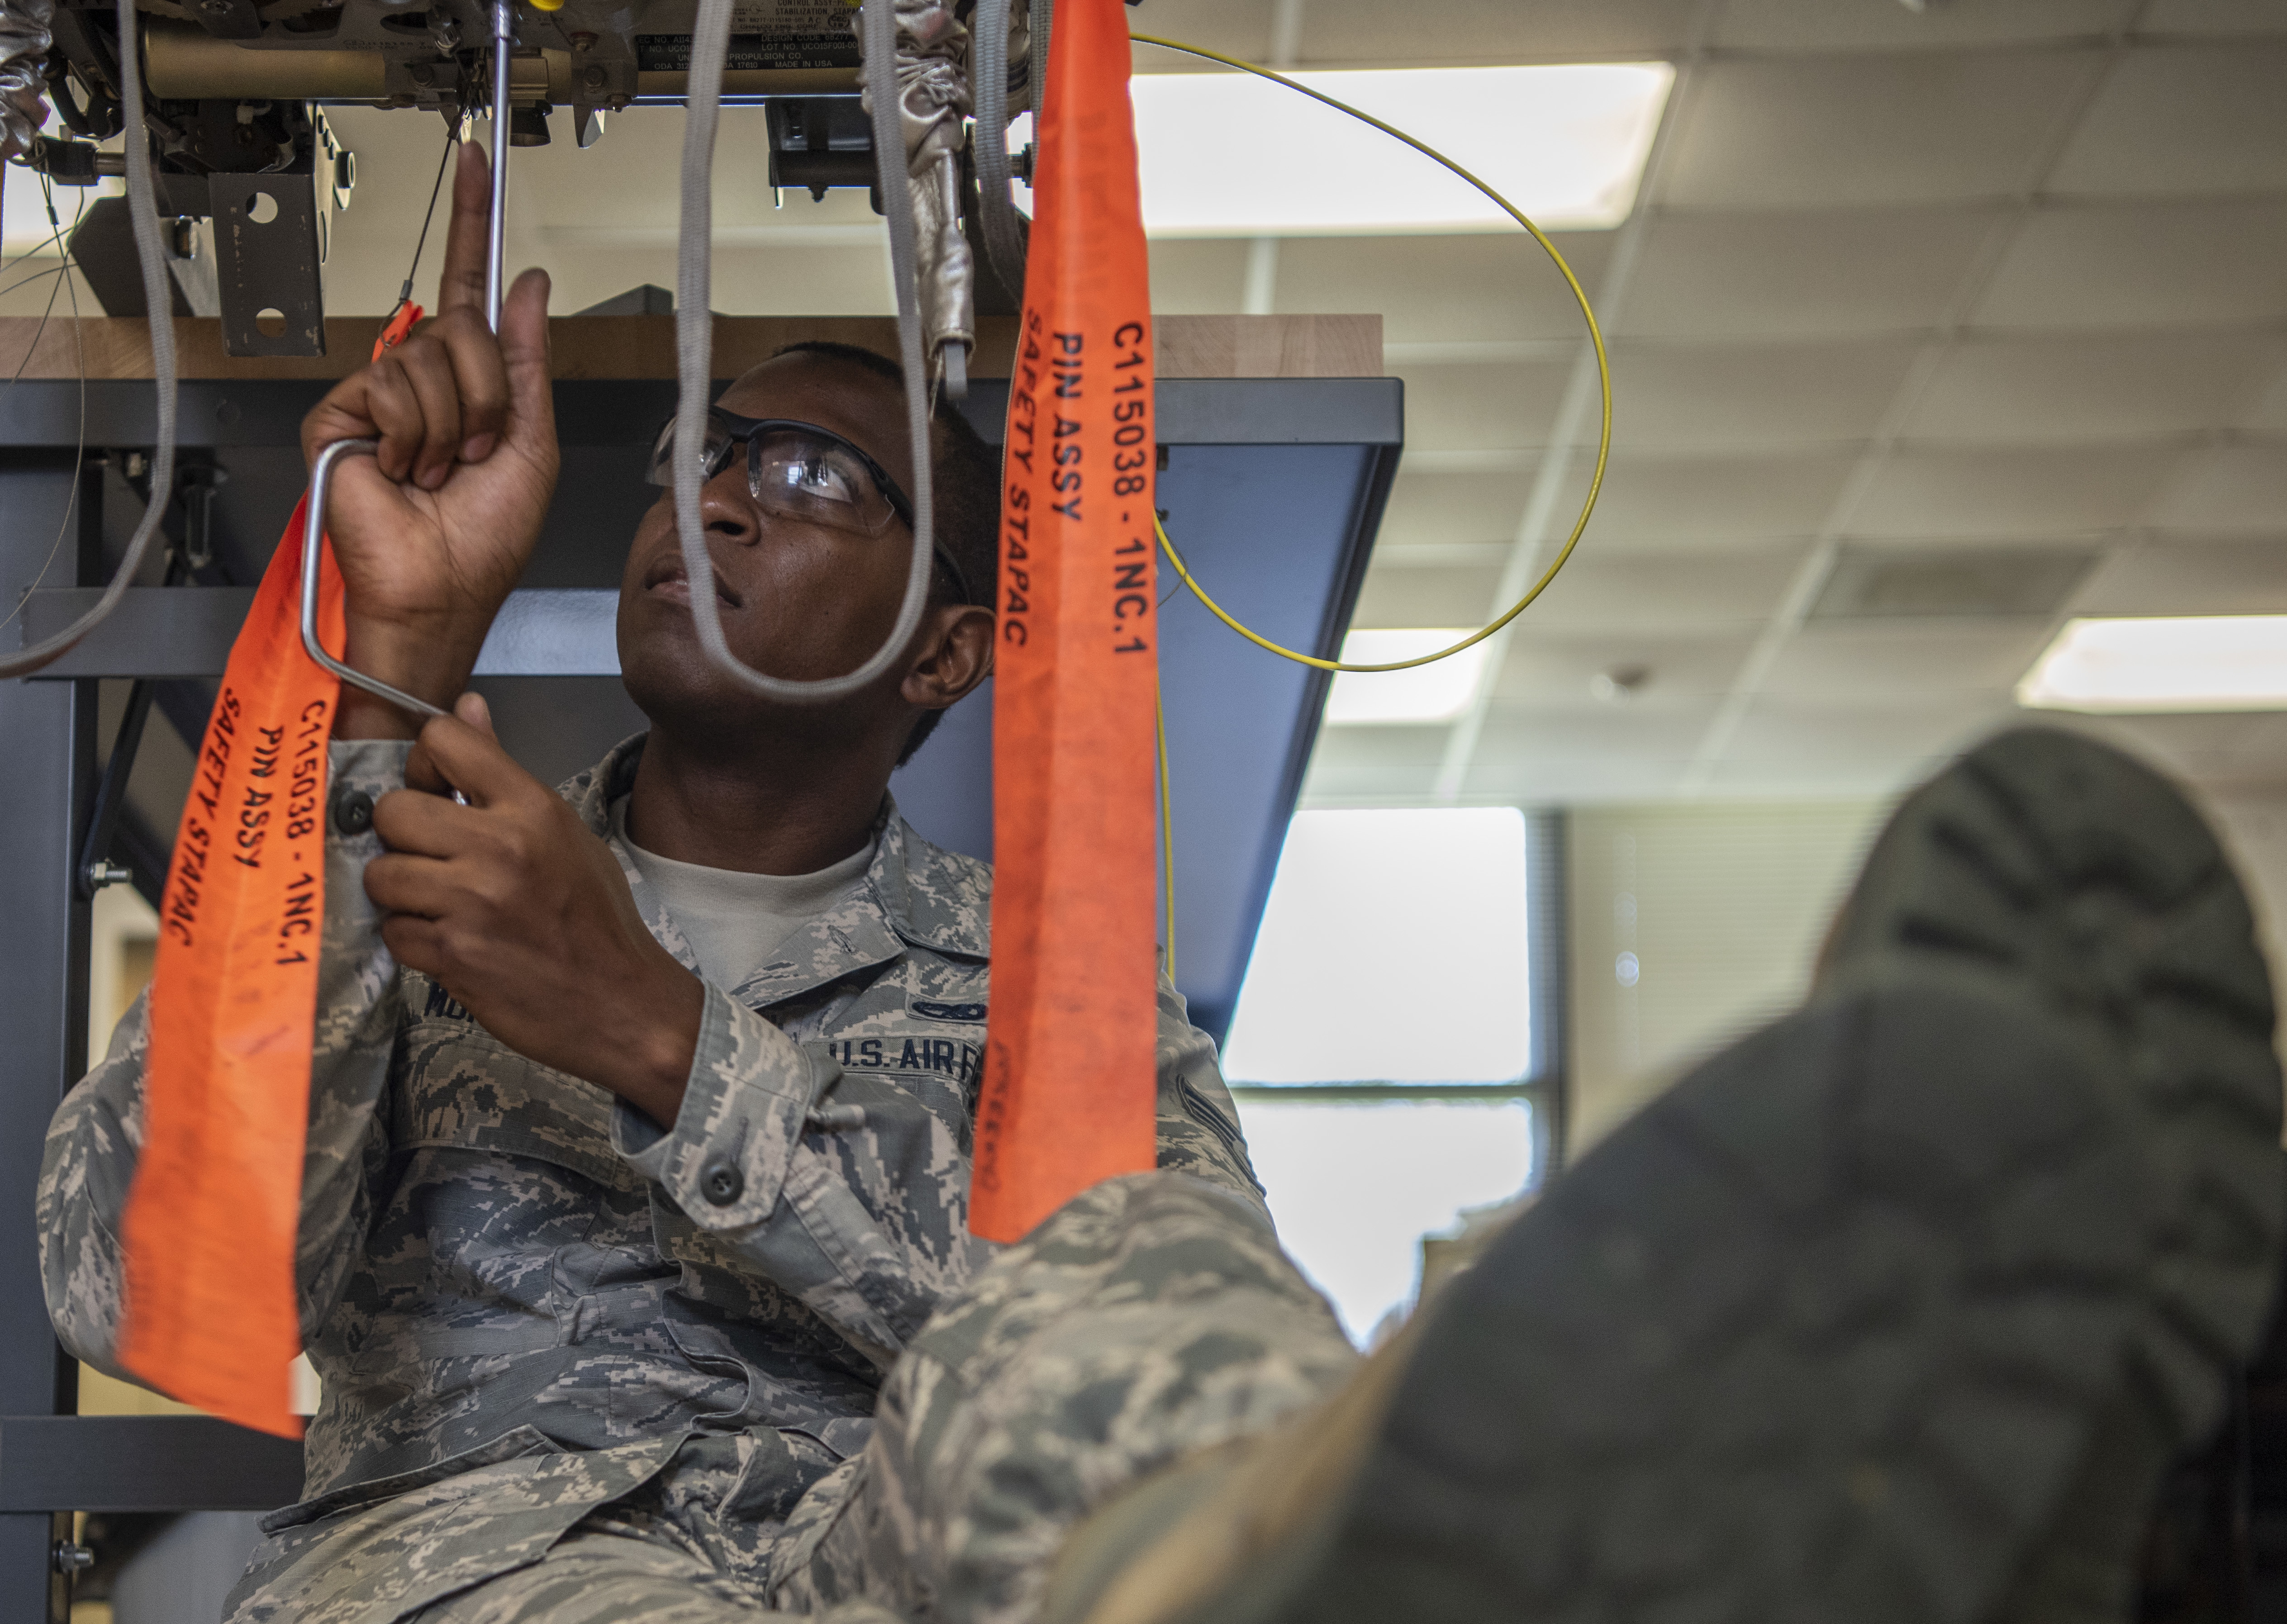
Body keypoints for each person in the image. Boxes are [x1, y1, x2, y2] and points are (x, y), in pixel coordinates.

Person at [38, 144, 2287, 1624]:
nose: (707, 501)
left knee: (1100, 1279)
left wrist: (662, 1038)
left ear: (944, 649)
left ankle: (1360, 1528)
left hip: (941, 1560)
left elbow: (1146, 1324)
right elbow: (123, 1278)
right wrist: (387, 665)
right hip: (483, 1580)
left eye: (804, 470)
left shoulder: (1050, 988)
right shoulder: (400, 869)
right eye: (701, 455)